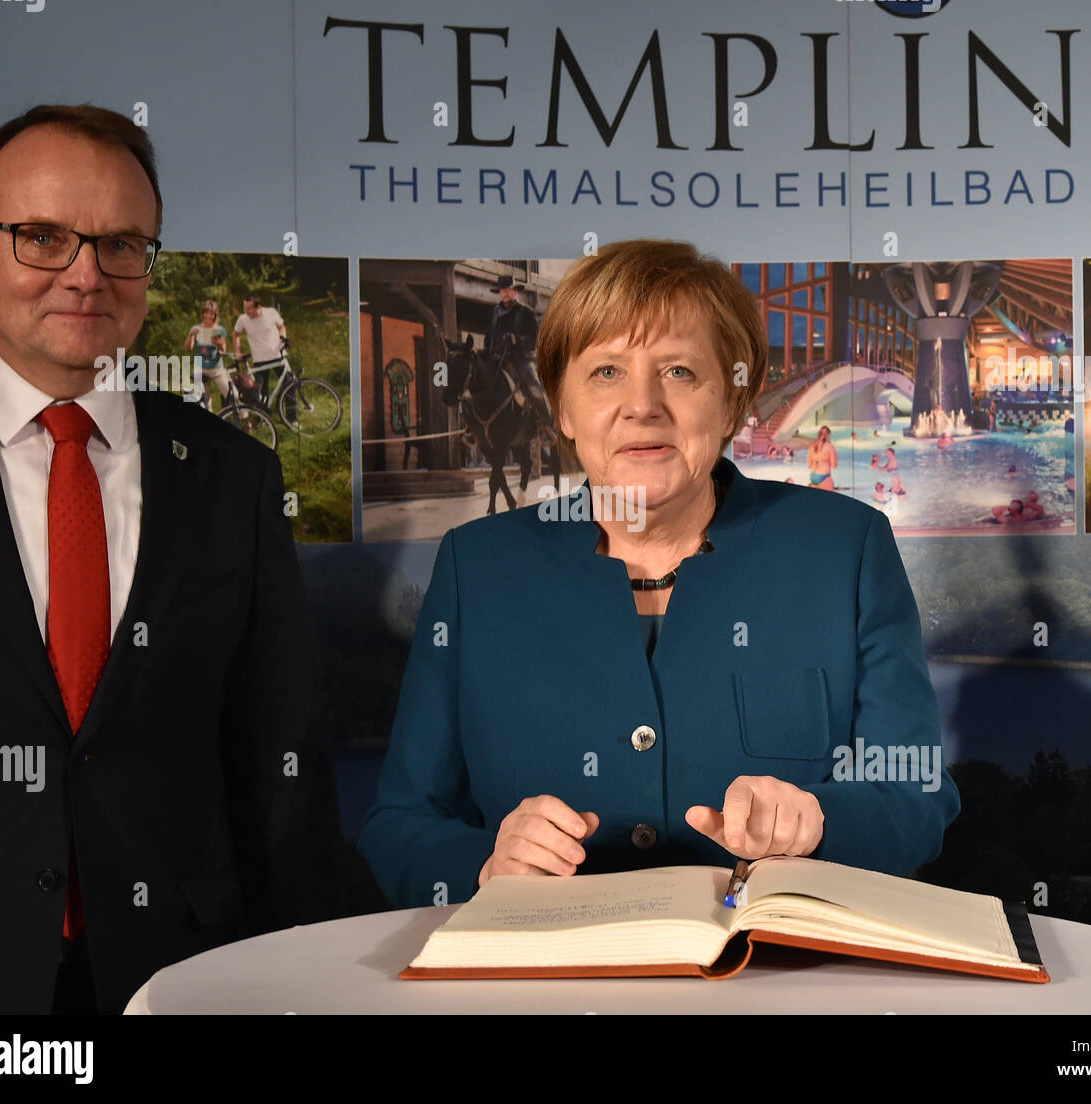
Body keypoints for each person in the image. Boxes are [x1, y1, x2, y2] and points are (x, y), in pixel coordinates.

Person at [361, 239, 959, 908]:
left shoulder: (846, 549)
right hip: (543, 989)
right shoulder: (477, 568)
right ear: (561, 408)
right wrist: (488, 868)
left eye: (678, 371)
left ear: (732, 402)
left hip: (774, 988)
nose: (642, 404)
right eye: (606, 372)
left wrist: (821, 821)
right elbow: (400, 825)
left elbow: (919, 797)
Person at [0, 105, 349, 1014]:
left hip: (184, 974)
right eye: (44, 237)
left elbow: (278, 763)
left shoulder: (231, 476)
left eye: (122, 244)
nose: (87, 274)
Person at [484, 274, 548, 422]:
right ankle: (475, 426)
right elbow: (489, 338)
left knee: (534, 387)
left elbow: (535, 340)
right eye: (502, 290)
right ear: (499, 293)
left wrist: (516, 340)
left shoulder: (526, 313)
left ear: (515, 291)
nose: (506, 293)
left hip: (522, 359)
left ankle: (548, 425)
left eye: (509, 289)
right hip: (497, 359)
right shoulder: (494, 313)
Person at [232, 293, 293, 419]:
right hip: (259, 359)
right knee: (261, 392)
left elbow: (281, 327)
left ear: (258, 307)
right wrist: (237, 352)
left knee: (290, 384)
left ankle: (293, 418)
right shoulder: (243, 319)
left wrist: (283, 338)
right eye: (244, 307)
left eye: (248, 308)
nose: (245, 311)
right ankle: (263, 418)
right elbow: (236, 334)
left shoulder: (271, 313)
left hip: (278, 356)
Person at [184, 299, 229, 409]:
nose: (208, 316)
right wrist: (191, 335)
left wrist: (218, 343)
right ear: (203, 314)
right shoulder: (196, 329)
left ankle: (247, 422)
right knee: (204, 402)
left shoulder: (219, 330)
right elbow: (187, 348)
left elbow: (224, 350)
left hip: (216, 368)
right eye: (206, 313)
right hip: (200, 368)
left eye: (211, 314)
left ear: (215, 315)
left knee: (232, 395)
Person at [807, 425, 837, 490]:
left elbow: (809, 465)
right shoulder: (830, 447)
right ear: (828, 435)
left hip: (813, 476)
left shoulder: (813, 446)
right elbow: (834, 465)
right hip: (824, 477)